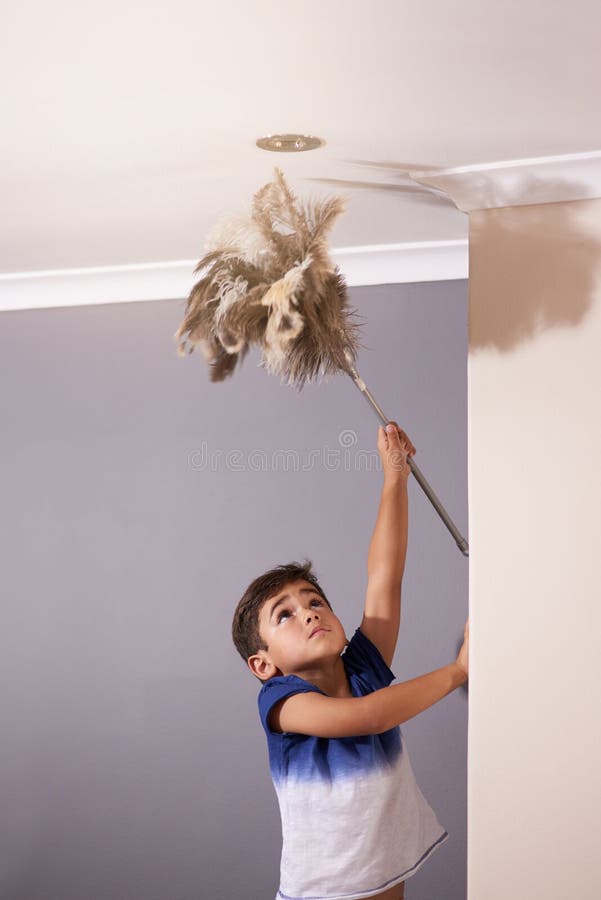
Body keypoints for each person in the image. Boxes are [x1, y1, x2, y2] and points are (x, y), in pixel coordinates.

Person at [231, 423, 469, 900]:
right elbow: (367, 717)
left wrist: (394, 477)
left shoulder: (363, 668)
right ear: (263, 664)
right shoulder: (281, 702)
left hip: (384, 883)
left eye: (314, 600)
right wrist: (458, 671)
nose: (309, 613)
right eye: (286, 615)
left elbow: (386, 577)